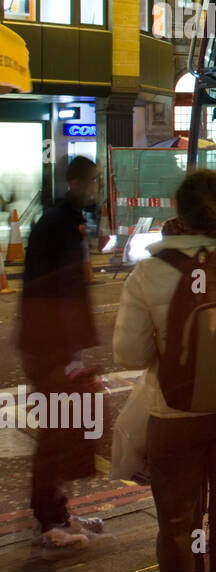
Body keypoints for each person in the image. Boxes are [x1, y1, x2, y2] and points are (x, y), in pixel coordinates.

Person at [114, 169, 216, 572]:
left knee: (176, 521)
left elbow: (129, 355)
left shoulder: (150, 271)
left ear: (181, 212)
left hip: (173, 414)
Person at [18, 156, 104, 548]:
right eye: (93, 181)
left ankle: (56, 511)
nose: (96, 188)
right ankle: (51, 522)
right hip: (50, 345)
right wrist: (70, 353)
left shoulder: (64, 220)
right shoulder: (59, 223)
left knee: (60, 429)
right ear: (76, 182)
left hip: (50, 343)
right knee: (55, 432)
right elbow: (61, 291)